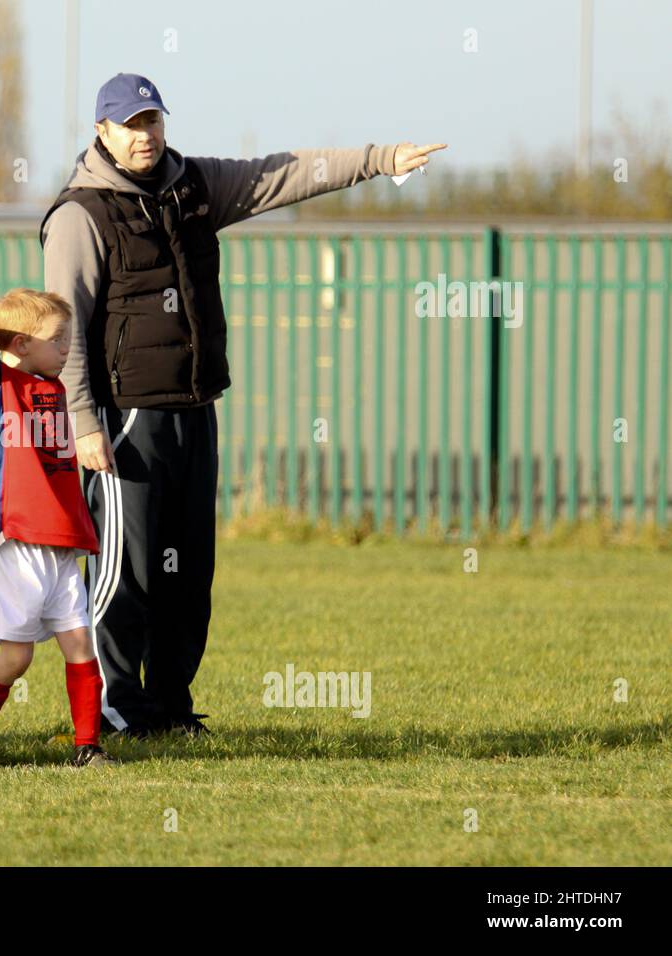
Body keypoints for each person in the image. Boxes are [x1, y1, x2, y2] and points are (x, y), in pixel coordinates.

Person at [42, 72, 446, 737]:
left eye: (153, 121)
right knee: (126, 571)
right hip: (125, 418)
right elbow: (67, 331)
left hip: (194, 406)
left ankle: (171, 706)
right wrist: (84, 423)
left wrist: (380, 160)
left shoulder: (193, 186)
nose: (146, 134)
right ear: (102, 131)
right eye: (132, 123)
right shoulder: (80, 215)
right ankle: (119, 705)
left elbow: (285, 175)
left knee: (188, 570)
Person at [0, 289, 115, 767]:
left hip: (60, 542)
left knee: (80, 644)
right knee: (17, 659)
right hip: (10, 541)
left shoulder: (52, 387)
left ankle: (87, 747)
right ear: (22, 344)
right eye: (57, 339)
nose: (67, 348)